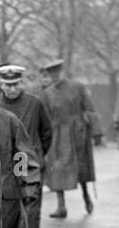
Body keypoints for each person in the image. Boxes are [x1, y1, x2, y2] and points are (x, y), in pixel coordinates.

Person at [0, 64, 52, 228]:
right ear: (0, 84)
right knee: (7, 220)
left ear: (22, 82)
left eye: (15, 84)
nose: (11, 89)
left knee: (30, 217)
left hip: (28, 170)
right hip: (4, 171)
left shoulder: (35, 104)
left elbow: (47, 133)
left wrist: (35, 159)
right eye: (7, 85)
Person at [38, 58, 101, 217]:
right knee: (57, 169)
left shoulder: (77, 87)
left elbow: (90, 109)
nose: (54, 76)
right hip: (57, 137)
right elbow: (43, 117)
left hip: (77, 134)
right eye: (51, 73)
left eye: (56, 72)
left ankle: (86, 196)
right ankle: (61, 206)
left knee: (81, 170)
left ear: (61, 72)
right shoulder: (46, 94)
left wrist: (97, 132)